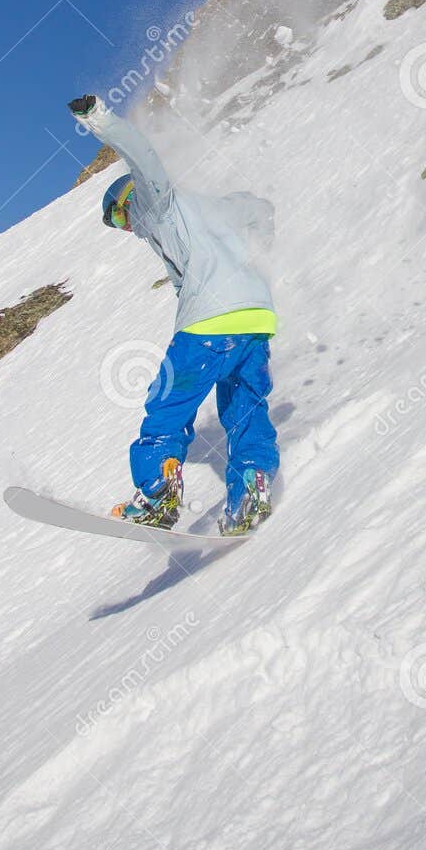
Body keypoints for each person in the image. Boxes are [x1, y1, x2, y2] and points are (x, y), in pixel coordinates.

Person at [68, 94, 279, 536]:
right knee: (246, 408)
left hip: (209, 325)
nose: (127, 229)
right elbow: (261, 208)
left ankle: (159, 495)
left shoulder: (156, 203)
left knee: (167, 406)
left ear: (128, 200)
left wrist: (98, 118)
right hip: (256, 319)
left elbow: (142, 156)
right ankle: (252, 489)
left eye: (120, 218)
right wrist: (257, 258)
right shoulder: (212, 207)